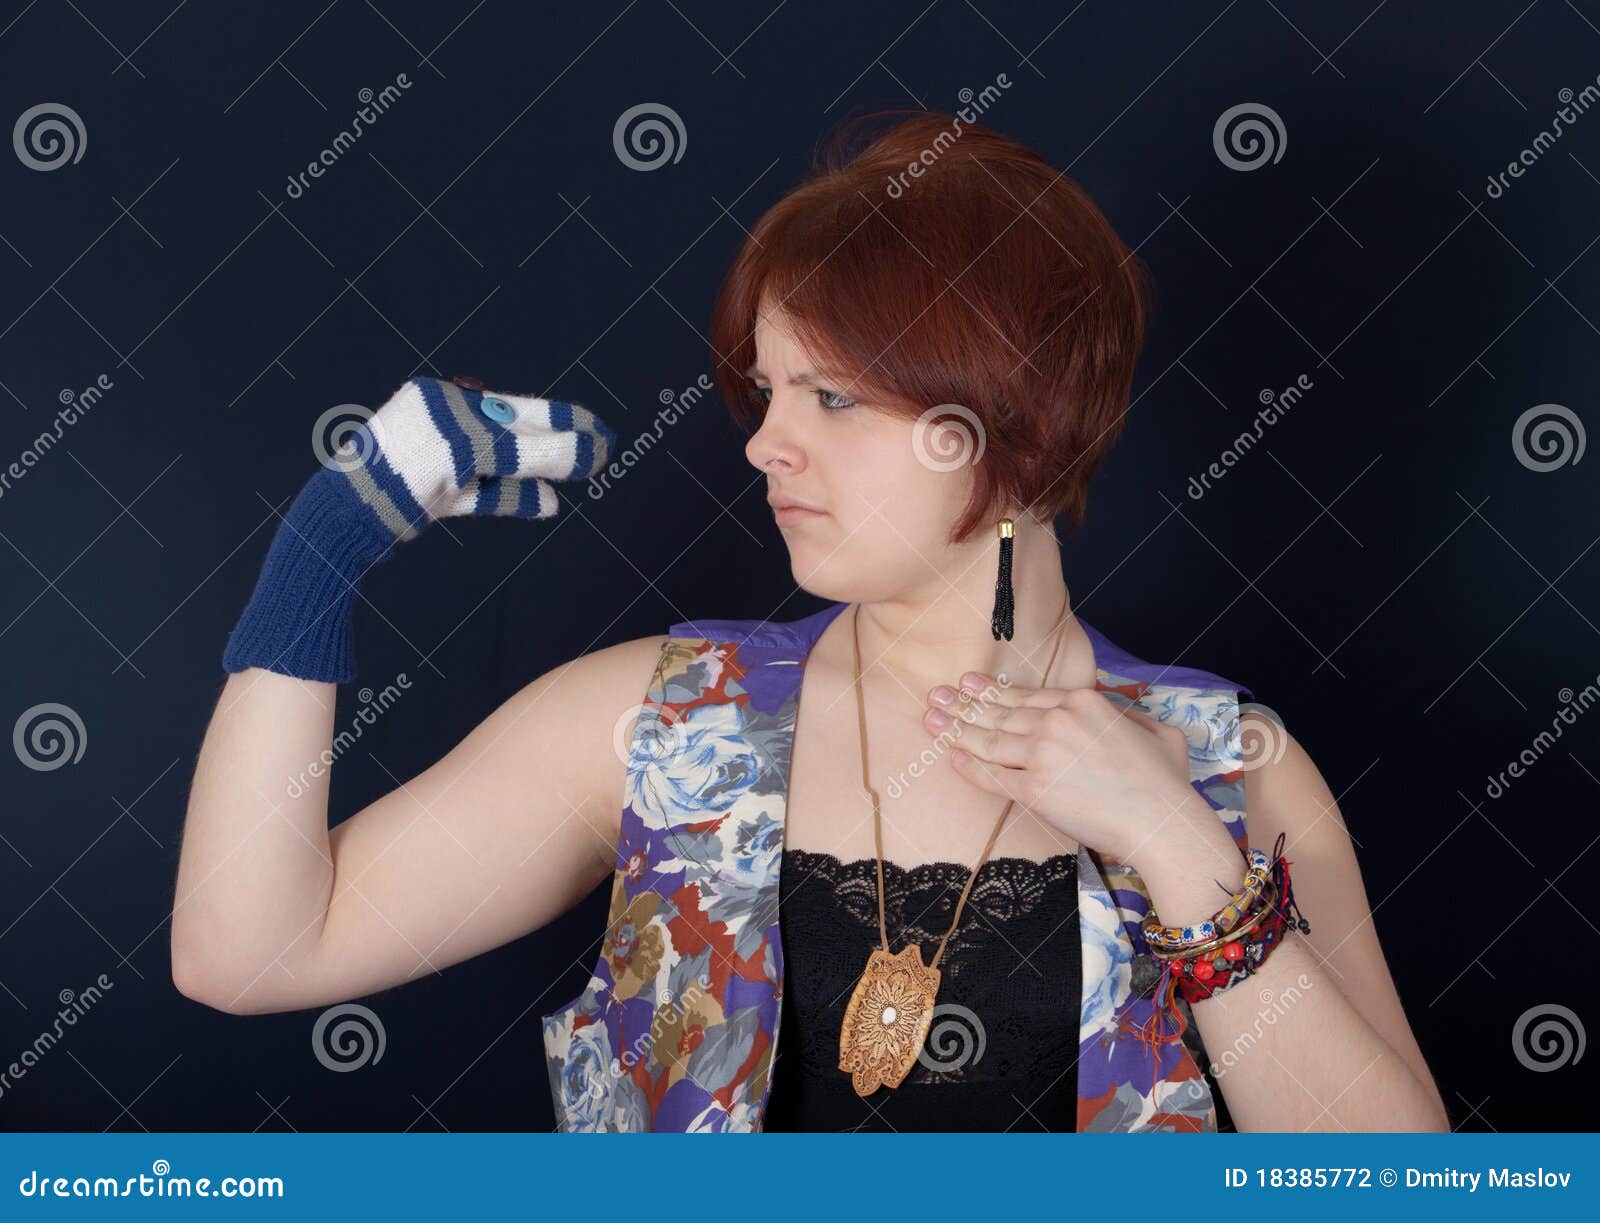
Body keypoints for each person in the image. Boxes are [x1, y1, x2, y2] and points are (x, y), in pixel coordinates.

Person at [172, 110, 1448, 1133]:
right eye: (766, 389)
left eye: (831, 396)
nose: (764, 445)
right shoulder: (656, 719)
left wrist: (1176, 842)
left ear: (1008, 407)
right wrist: (321, 557)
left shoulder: (1233, 764)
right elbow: (247, 953)